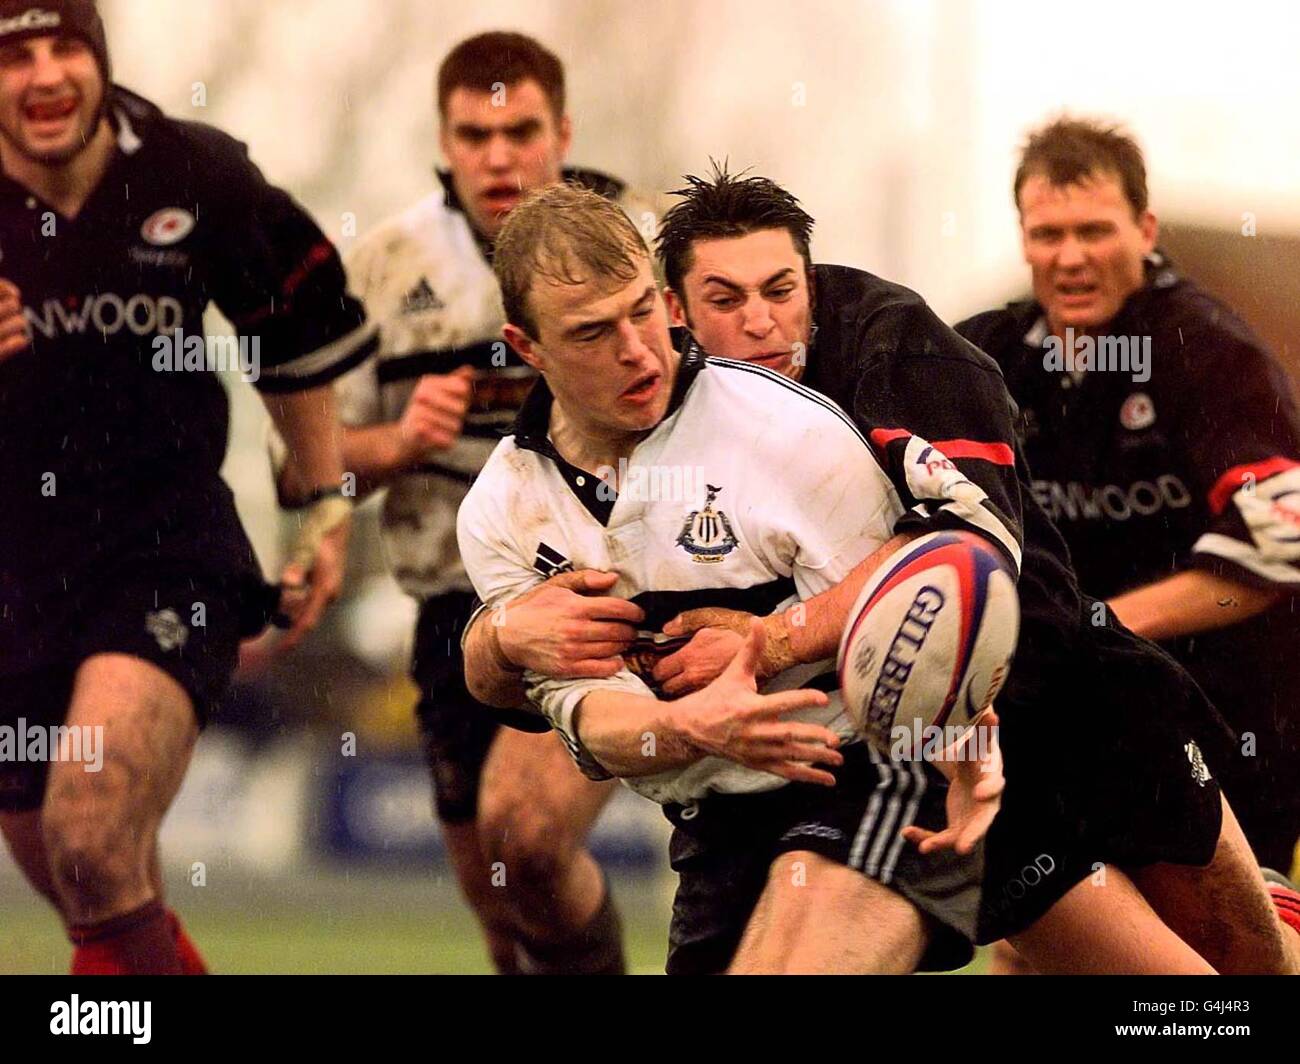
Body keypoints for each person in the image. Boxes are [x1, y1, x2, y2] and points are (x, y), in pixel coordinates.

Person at [464, 165, 1300, 974]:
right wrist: (500, 639)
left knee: (1247, 969)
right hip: (888, 752)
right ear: (685, 304)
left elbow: (964, 563)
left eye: (781, 290)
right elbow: (561, 700)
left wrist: (767, 639)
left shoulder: (886, 365)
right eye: (725, 299)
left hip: (1053, 705)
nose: (759, 322)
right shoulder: (518, 498)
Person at [457, 181, 992, 975]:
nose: (637, 349)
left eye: (643, 310)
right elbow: (588, 717)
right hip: (714, 821)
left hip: (875, 778)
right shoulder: (506, 510)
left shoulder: (788, 430)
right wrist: (691, 728)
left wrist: (775, 645)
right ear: (527, 347)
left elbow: (942, 582)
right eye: (593, 332)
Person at [0, 0, 371, 974]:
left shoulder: (192, 172)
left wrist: (325, 504)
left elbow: (293, 331)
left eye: (64, 48)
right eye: (15, 56)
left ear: (99, 58)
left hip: (163, 551)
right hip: (15, 575)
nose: (43, 75)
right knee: (85, 879)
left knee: (89, 831)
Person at [319, 32, 658, 974]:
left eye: (521, 131)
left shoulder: (642, 241)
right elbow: (311, 469)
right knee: (501, 902)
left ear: (565, 131)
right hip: (453, 605)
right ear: (445, 138)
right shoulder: (385, 269)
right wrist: (399, 443)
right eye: (475, 135)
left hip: (611, 594)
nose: (499, 156)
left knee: (532, 839)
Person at [955, 117, 1300, 878]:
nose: (1071, 257)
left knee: (1232, 963)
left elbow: (1281, 549)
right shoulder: (994, 357)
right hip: (1077, 723)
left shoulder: (1210, 352)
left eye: (1094, 230)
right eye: (1048, 234)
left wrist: (1093, 633)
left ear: (1145, 228)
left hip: (1234, 728)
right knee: (1041, 938)